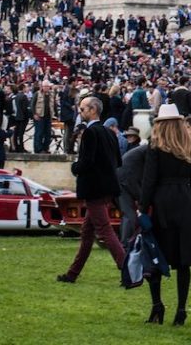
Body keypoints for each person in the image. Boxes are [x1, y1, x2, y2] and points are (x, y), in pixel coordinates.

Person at [138, 105, 191, 326]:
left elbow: (149, 181)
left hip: (162, 201)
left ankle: (157, 306)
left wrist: (143, 207)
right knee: (183, 259)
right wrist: (187, 197)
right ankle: (181, 310)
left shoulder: (155, 148)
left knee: (156, 255)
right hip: (184, 200)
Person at [57, 96, 126, 283]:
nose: (81, 113)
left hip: (94, 189)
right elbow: (118, 161)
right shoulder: (110, 133)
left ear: (93, 110)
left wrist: (74, 167)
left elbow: (86, 162)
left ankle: (128, 269)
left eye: (83, 109)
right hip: (107, 188)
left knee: (104, 230)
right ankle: (72, 274)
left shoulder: (90, 133)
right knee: (87, 233)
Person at [117, 143, 147, 246]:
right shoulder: (150, 150)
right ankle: (125, 245)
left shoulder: (143, 150)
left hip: (123, 177)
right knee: (130, 216)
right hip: (126, 179)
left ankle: (126, 243)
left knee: (128, 215)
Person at [10, 83, 30, 153]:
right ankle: (21, 148)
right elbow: (25, 108)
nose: (28, 89)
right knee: (21, 134)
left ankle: (16, 147)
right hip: (23, 117)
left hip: (17, 117)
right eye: (26, 87)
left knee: (16, 133)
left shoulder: (16, 96)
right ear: (23, 88)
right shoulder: (24, 96)